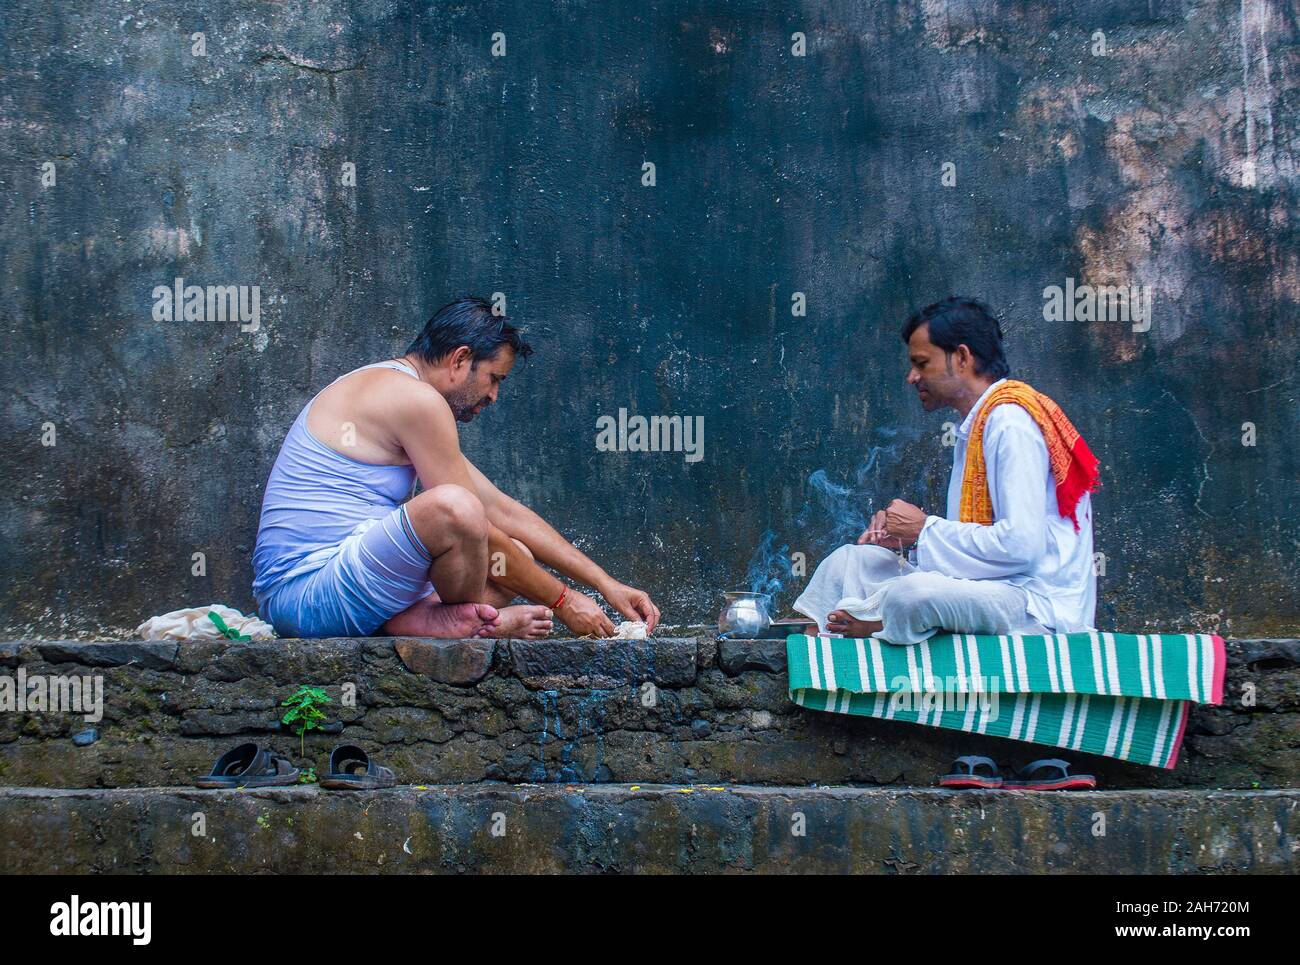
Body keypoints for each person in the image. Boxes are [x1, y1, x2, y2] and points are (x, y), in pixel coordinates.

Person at [252, 297, 661, 640]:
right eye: (493, 379)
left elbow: (500, 510)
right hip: (303, 596)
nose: (495, 396)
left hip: (340, 584)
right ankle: (440, 621)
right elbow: (472, 517)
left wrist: (606, 584)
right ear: (460, 359)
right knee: (455, 510)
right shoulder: (414, 400)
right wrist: (565, 601)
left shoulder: (403, 394)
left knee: (511, 554)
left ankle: (412, 621)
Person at [794, 297, 1099, 645]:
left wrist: (925, 531)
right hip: (990, 589)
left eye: (922, 364)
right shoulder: (976, 425)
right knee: (849, 563)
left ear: (963, 358)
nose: (912, 378)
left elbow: (1021, 549)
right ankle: (817, 653)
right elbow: (975, 547)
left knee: (913, 594)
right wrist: (911, 543)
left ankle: (878, 625)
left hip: (1034, 606)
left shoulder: (1010, 423)